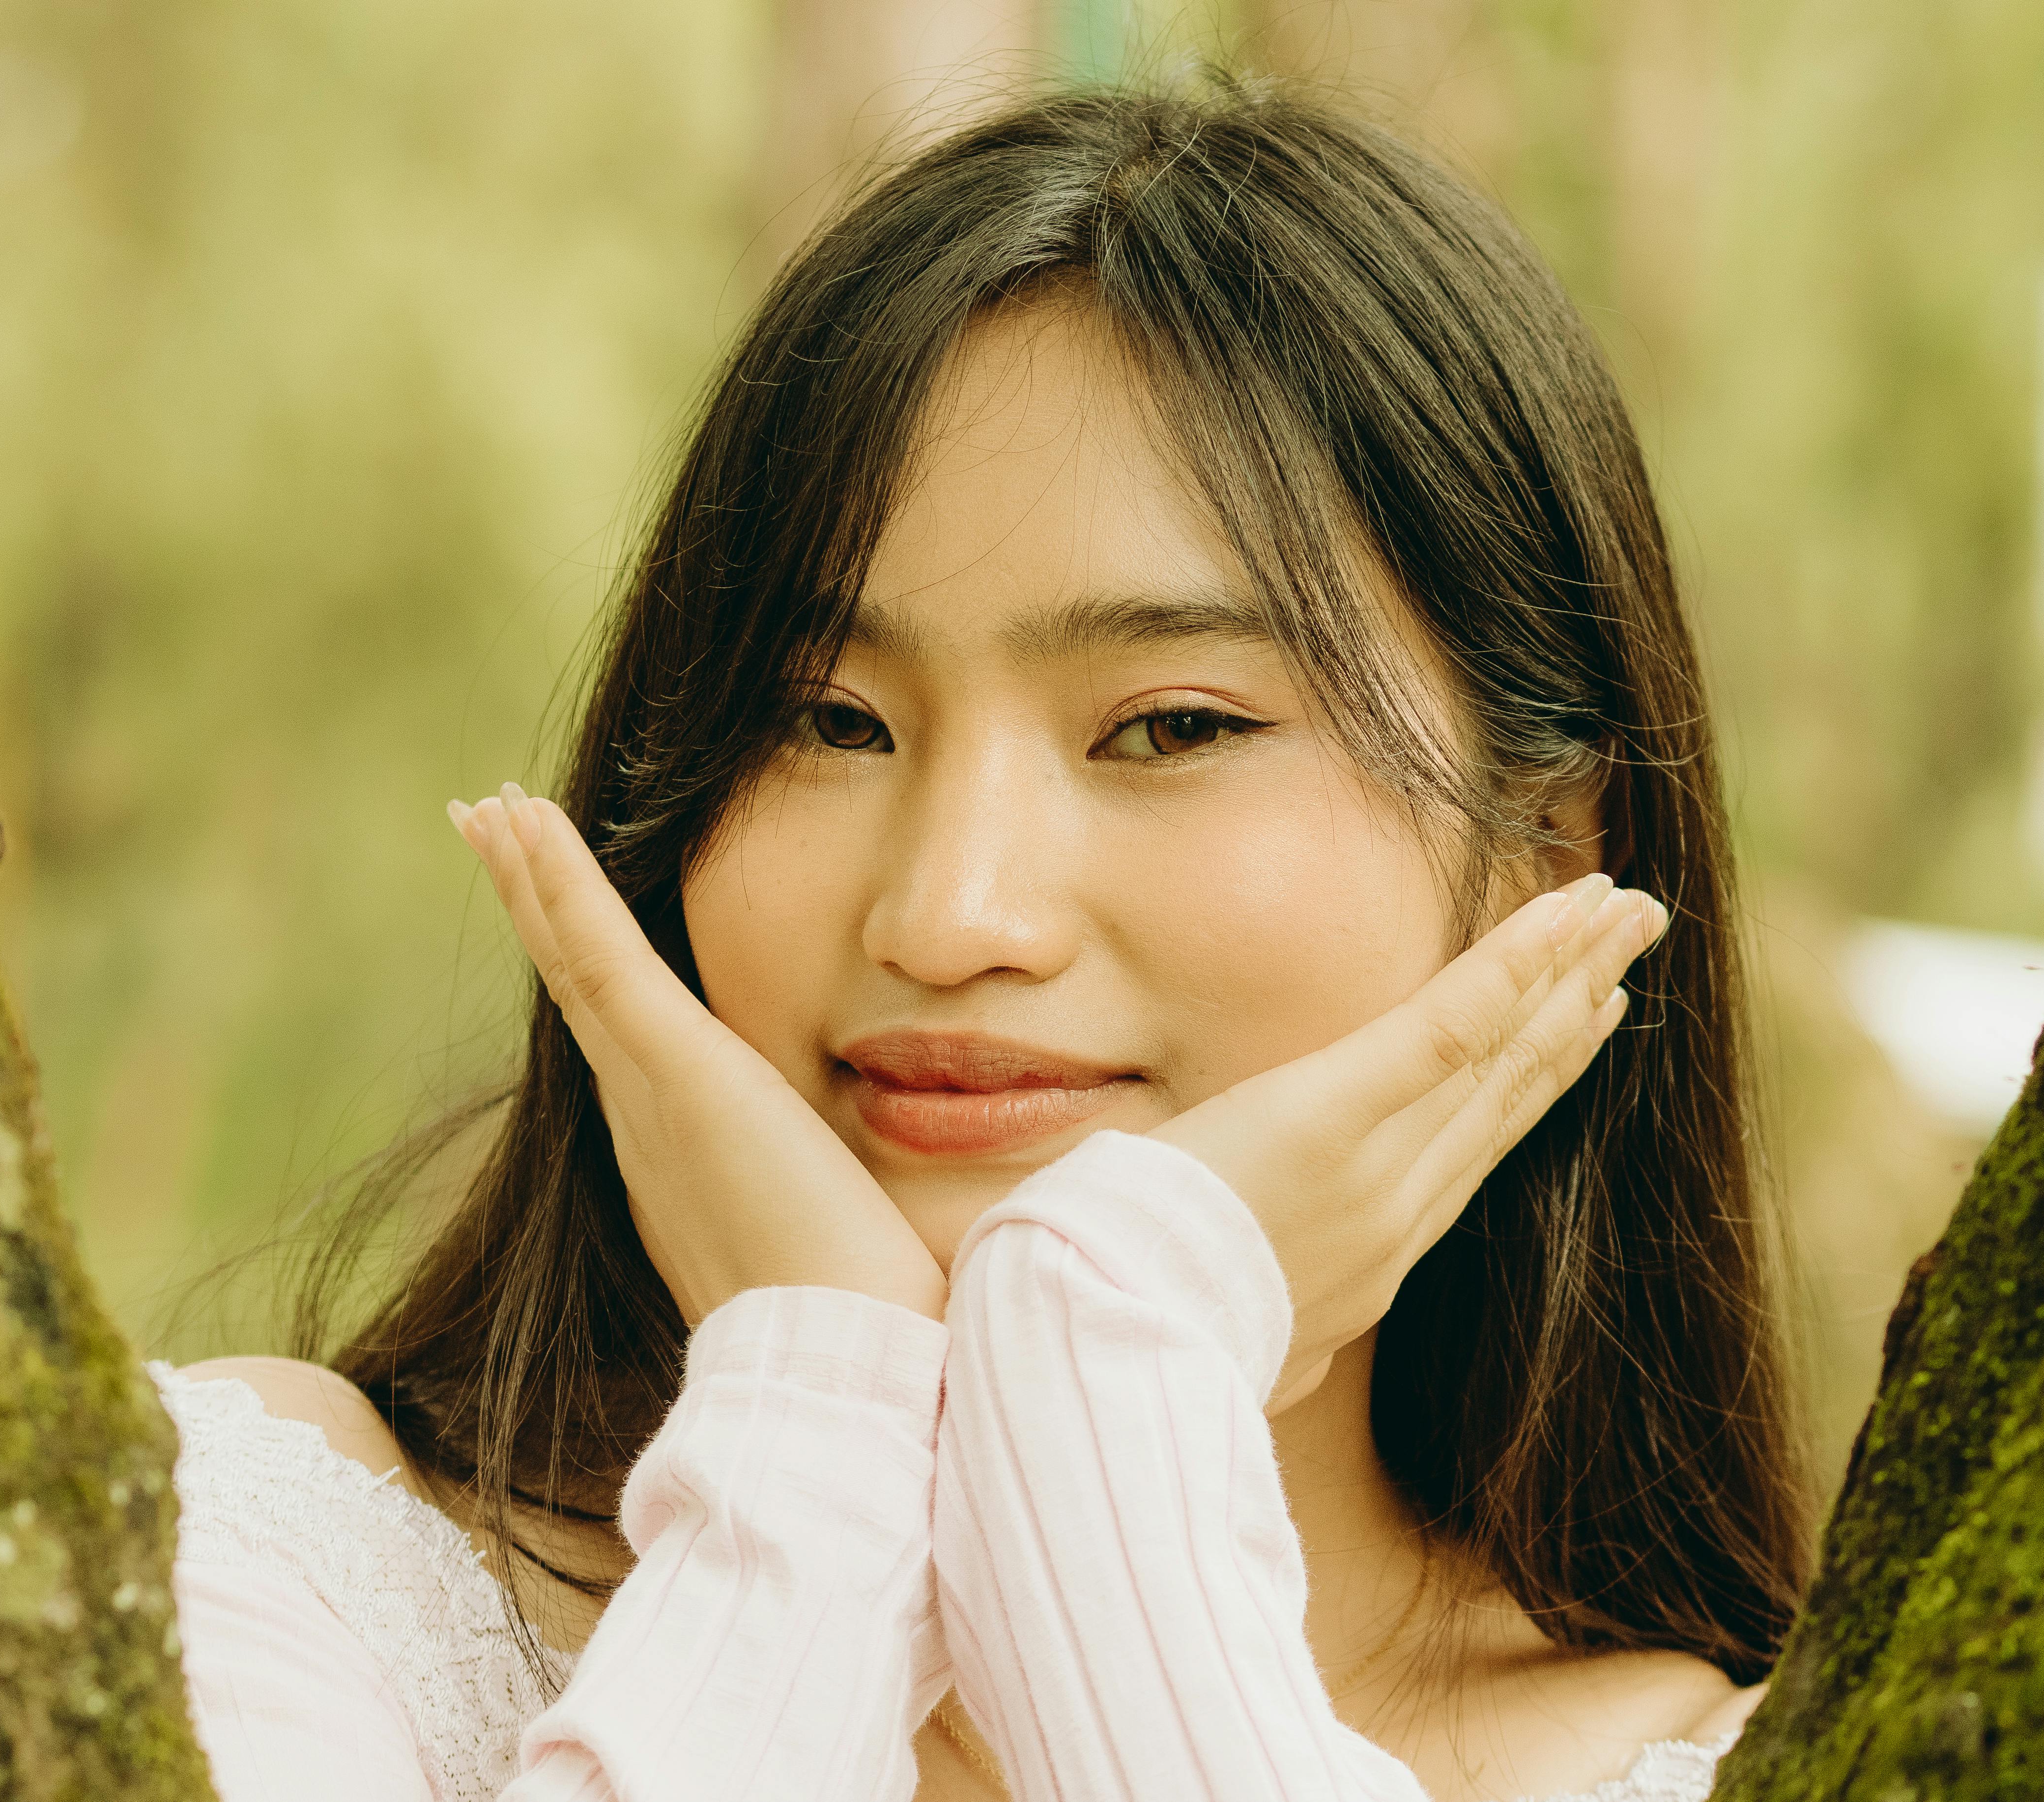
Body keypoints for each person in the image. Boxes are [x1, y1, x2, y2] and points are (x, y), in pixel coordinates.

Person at [152, 77, 1814, 1802]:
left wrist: (1101, 1409)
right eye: (828, 719)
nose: (949, 916)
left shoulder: (1757, 1767)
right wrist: (813, 1450)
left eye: (1170, 726)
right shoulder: (259, 1574)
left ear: (1548, 858)